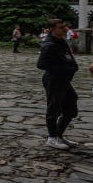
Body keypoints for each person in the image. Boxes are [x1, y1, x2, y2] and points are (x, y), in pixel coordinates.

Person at [37, 18, 79, 150]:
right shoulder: (49, 44)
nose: (64, 29)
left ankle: (59, 135)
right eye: (61, 27)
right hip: (54, 80)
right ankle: (52, 137)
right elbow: (41, 64)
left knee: (71, 107)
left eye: (64, 26)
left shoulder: (61, 41)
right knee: (54, 108)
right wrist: (63, 69)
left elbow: (68, 56)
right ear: (52, 29)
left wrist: (72, 66)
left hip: (64, 80)